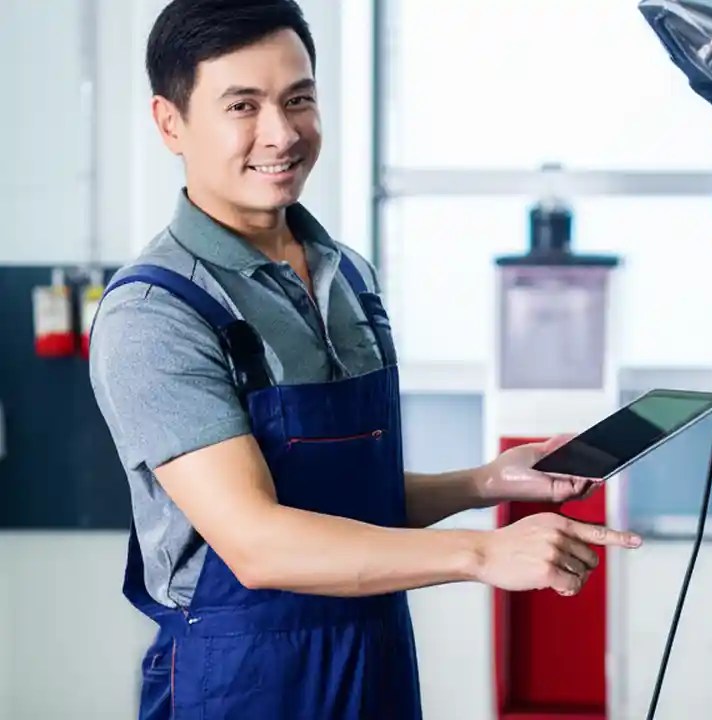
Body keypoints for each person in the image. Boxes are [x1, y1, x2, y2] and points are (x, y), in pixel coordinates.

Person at [87, 1, 643, 717]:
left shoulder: (347, 277)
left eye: (299, 99)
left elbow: (346, 497)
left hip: (374, 659)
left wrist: (487, 481)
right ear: (170, 122)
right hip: (242, 683)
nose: (281, 134)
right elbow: (258, 543)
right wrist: (480, 554)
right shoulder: (156, 312)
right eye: (243, 106)